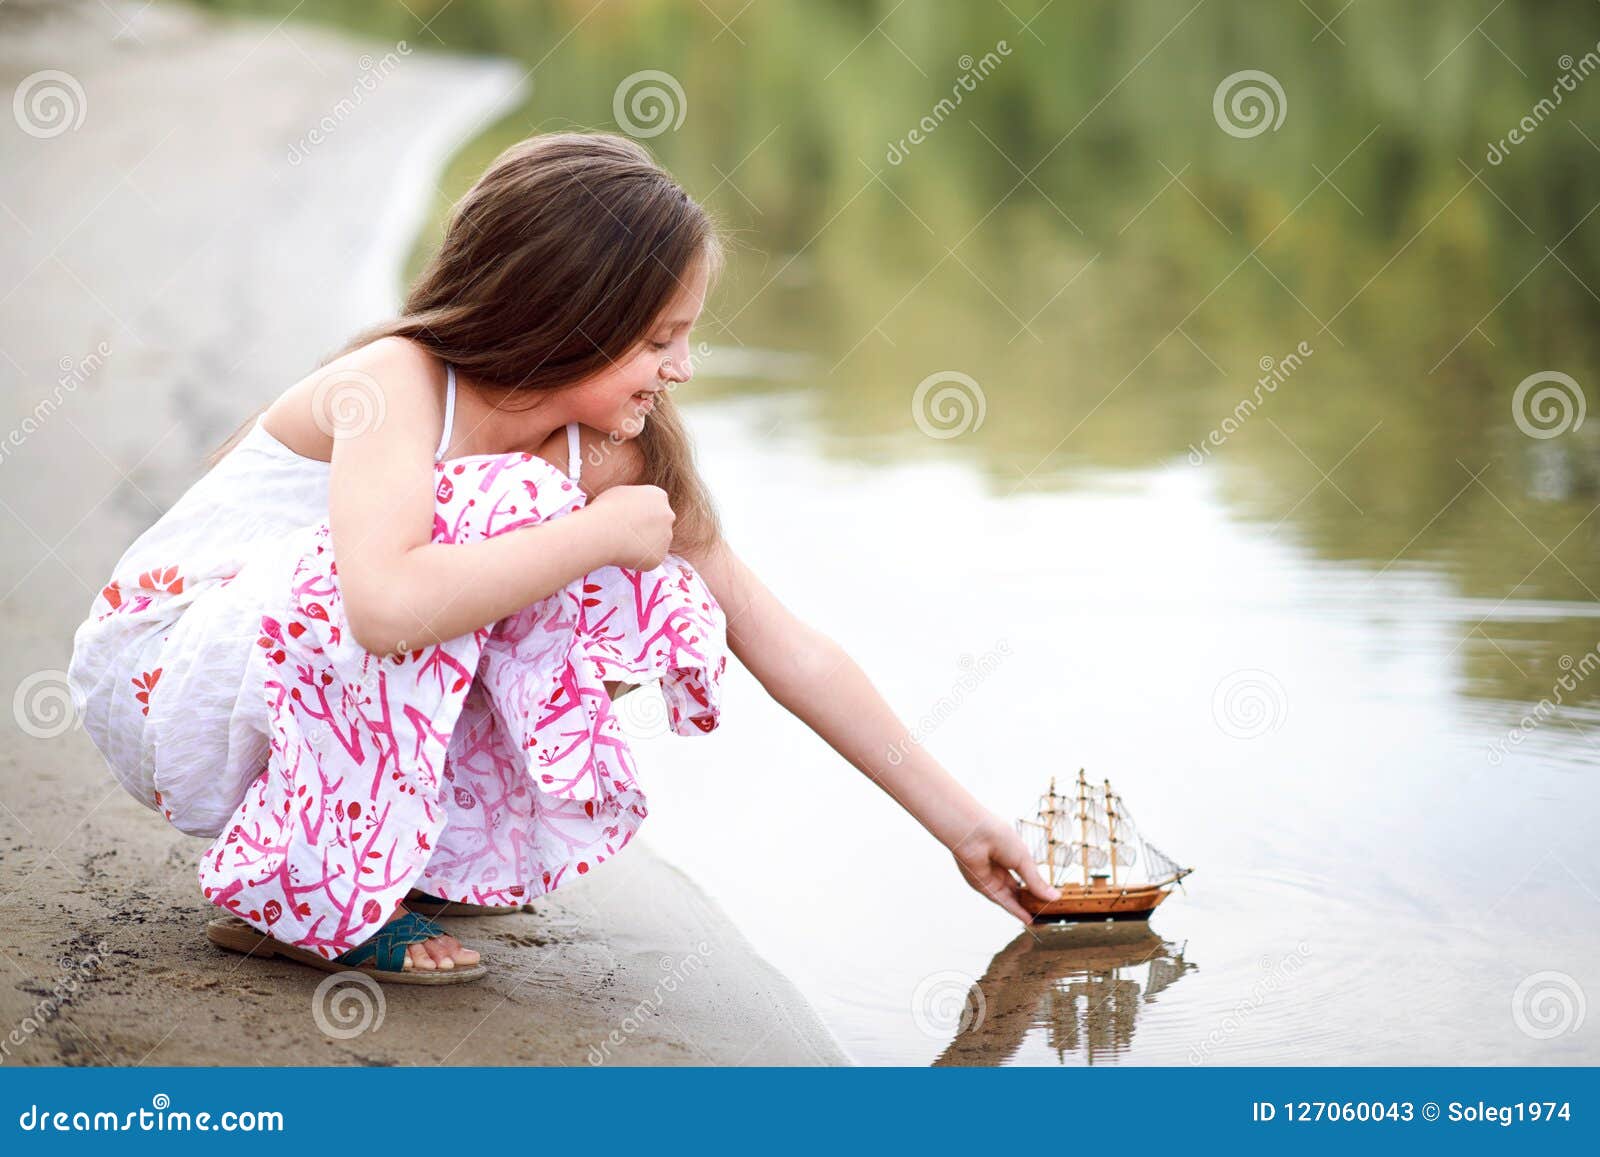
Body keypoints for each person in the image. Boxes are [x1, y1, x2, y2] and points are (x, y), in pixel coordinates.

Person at [66, 131, 1058, 985]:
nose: (682, 368)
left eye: (686, 336)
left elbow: (778, 638)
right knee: (519, 521)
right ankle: (302, 893)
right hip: (167, 683)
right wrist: (587, 535)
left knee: (643, 583)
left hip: (282, 681)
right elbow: (378, 605)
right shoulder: (396, 384)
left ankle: (404, 855)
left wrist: (962, 823)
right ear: (562, 313)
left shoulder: (612, 455)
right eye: (658, 339)